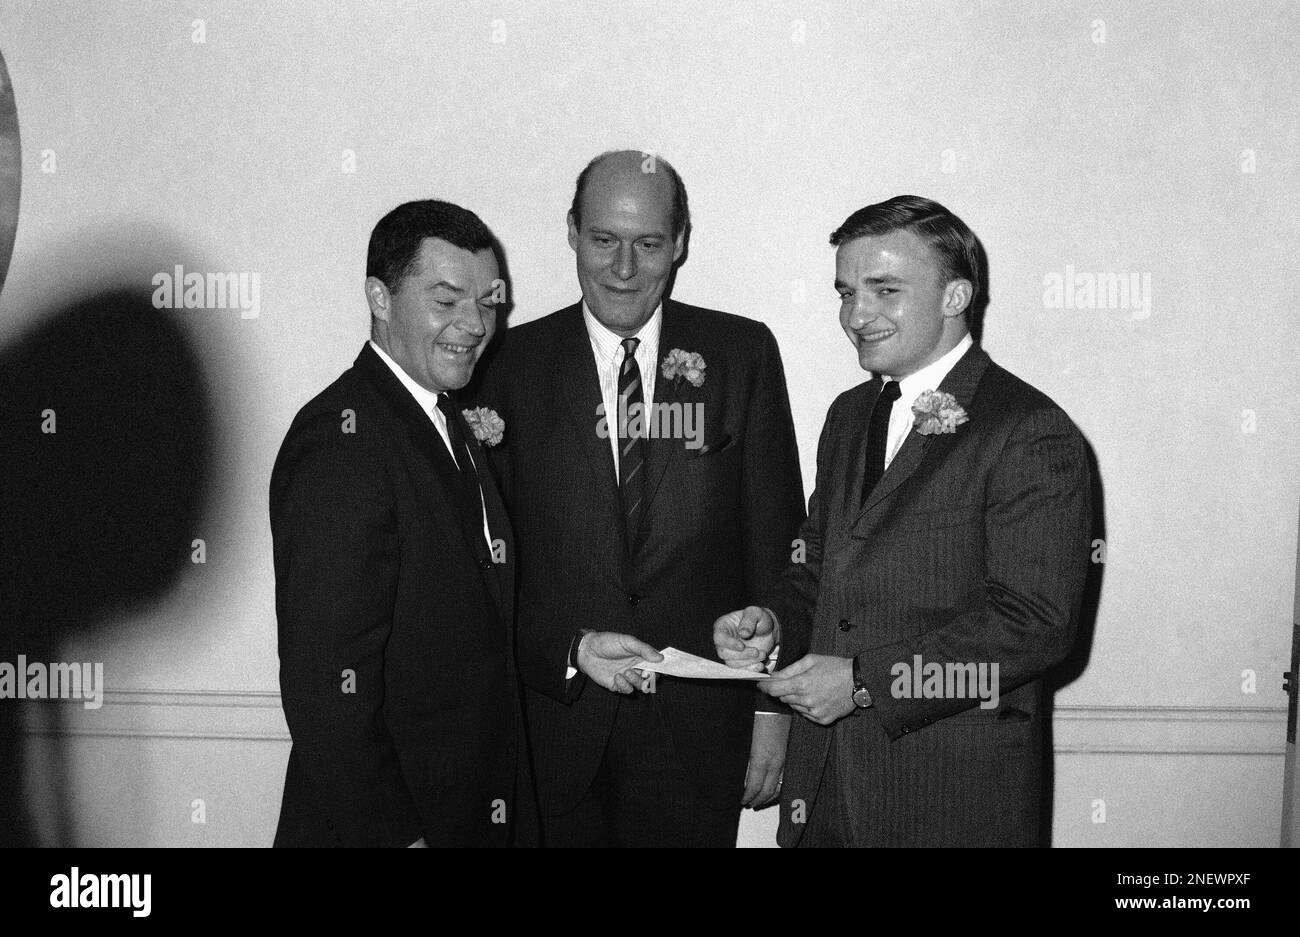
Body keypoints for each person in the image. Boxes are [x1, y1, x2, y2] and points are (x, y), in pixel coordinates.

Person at [715, 195, 1091, 847]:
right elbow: (815, 565)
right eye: (846, 291)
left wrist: (864, 683)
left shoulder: (1029, 431)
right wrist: (772, 621)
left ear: (956, 296)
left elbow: (1034, 628)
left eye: (885, 289)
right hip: (824, 796)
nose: (856, 315)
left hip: (948, 806)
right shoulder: (848, 415)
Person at [475, 150, 805, 847]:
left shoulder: (742, 354)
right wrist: (560, 651)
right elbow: (482, 568)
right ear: (570, 231)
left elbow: (779, 546)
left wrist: (774, 712)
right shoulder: (503, 365)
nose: (623, 267)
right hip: (550, 732)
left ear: (680, 242)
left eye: (649, 243)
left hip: (698, 740)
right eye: (603, 240)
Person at [271, 200, 533, 846]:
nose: (474, 325)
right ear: (379, 298)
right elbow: (327, 691)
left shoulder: (446, 419)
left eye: (488, 302)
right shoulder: (342, 437)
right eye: (447, 300)